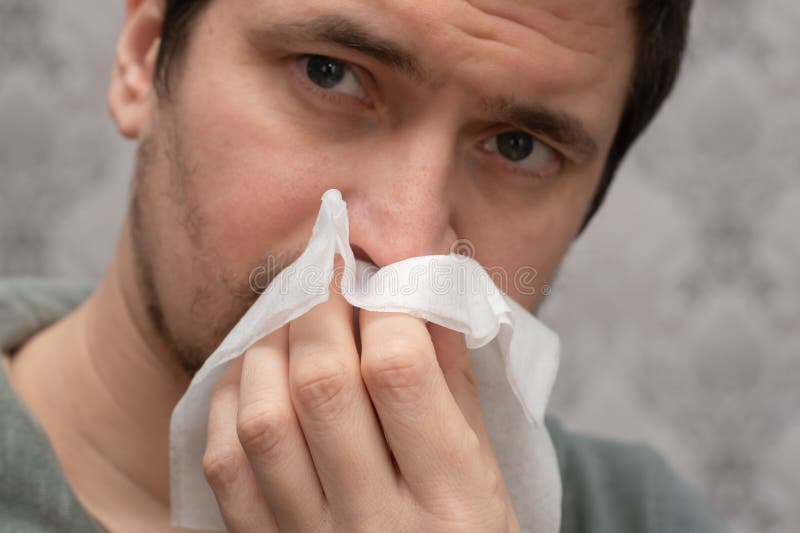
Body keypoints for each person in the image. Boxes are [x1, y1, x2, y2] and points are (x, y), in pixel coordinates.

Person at [0, 0, 726, 531]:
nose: (403, 248)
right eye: (331, 74)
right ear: (146, 53)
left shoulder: (640, 512)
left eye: (518, 147)